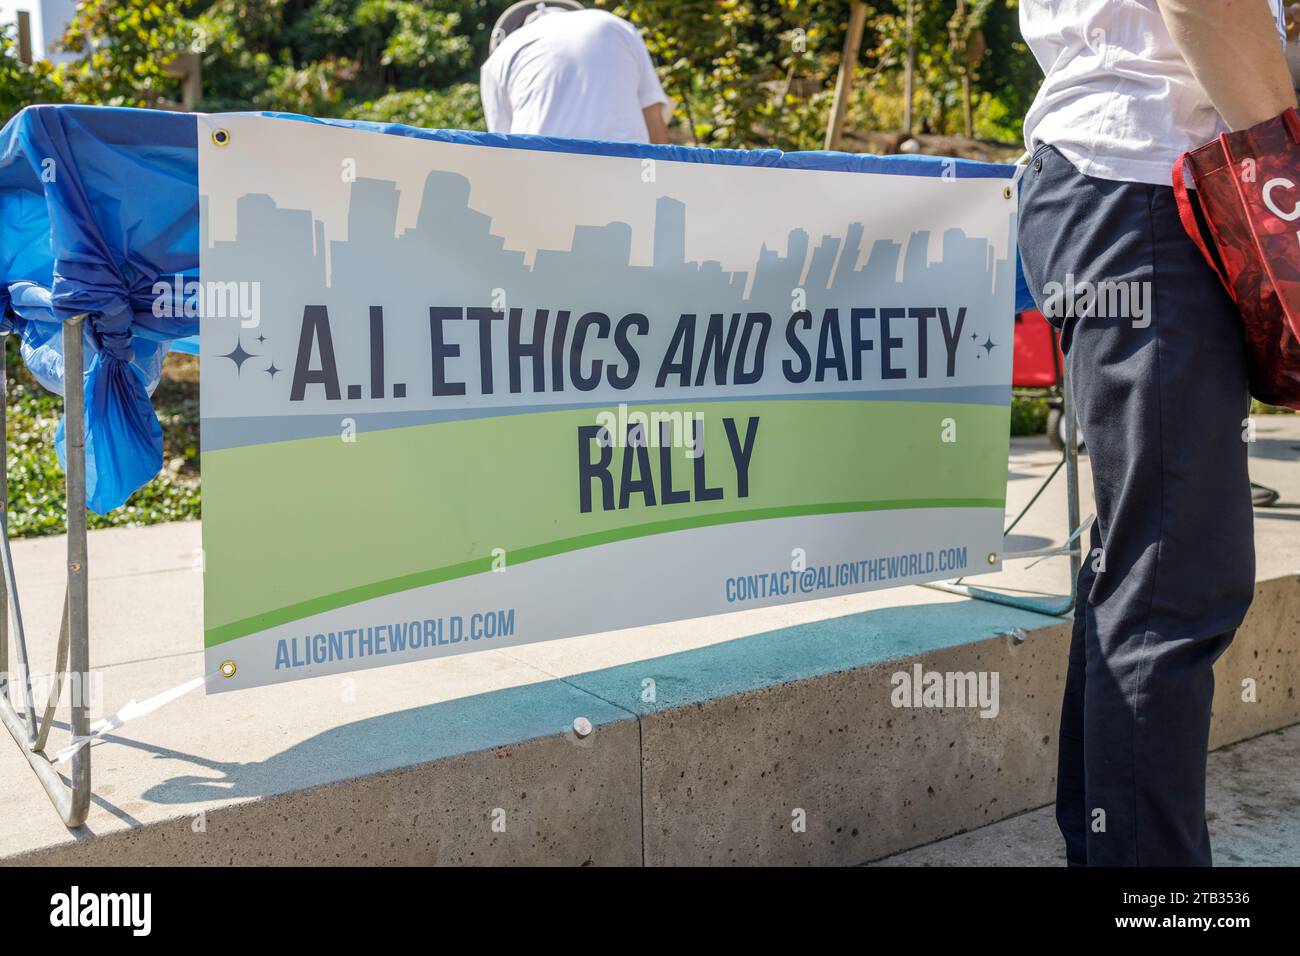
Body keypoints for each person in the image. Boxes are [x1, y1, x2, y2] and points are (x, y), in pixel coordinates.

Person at [1017, 0, 1295, 866]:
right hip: (1148, 180)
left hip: (1135, 182)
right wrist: (1287, 173)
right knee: (1173, 579)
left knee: (1148, 565)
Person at [480, 1, 670, 144]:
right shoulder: (616, 26)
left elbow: (501, 148)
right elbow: (654, 119)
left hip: (543, 177)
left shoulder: (501, 56)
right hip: (628, 173)